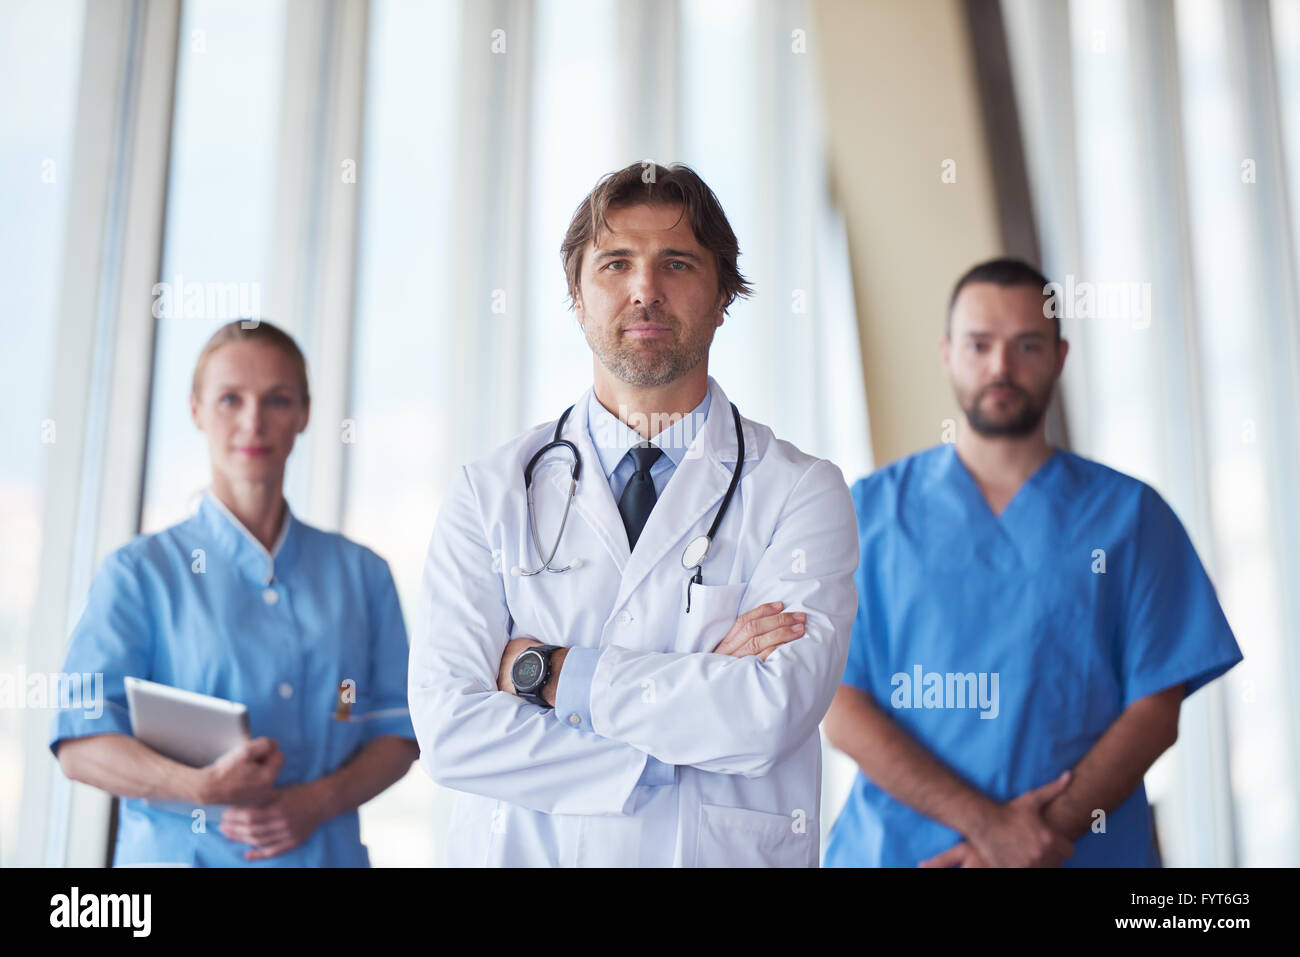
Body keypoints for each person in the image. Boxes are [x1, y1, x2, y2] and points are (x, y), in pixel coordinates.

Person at [410, 162, 860, 867]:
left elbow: (769, 714)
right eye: (615, 263)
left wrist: (548, 673)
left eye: (676, 263)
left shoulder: (802, 492)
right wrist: (672, 740)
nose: (645, 289)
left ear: (722, 297)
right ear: (577, 296)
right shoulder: (489, 492)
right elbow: (450, 730)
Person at [822, 258, 1243, 868]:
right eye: (979, 345)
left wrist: (1037, 839)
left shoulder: (1130, 517)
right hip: (901, 853)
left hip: (1076, 852)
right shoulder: (868, 512)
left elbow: (1155, 710)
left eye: (1026, 345)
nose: (1001, 367)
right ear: (947, 353)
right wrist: (991, 831)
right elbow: (840, 705)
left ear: (1060, 357)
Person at [50, 319, 419, 866]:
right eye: (230, 399)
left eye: (277, 399)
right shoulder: (139, 574)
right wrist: (196, 787)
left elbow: (397, 730)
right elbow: (81, 745)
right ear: (196, 410)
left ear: (304, 414)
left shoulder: (363, 576)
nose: (253, 422)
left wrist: (316, 802)